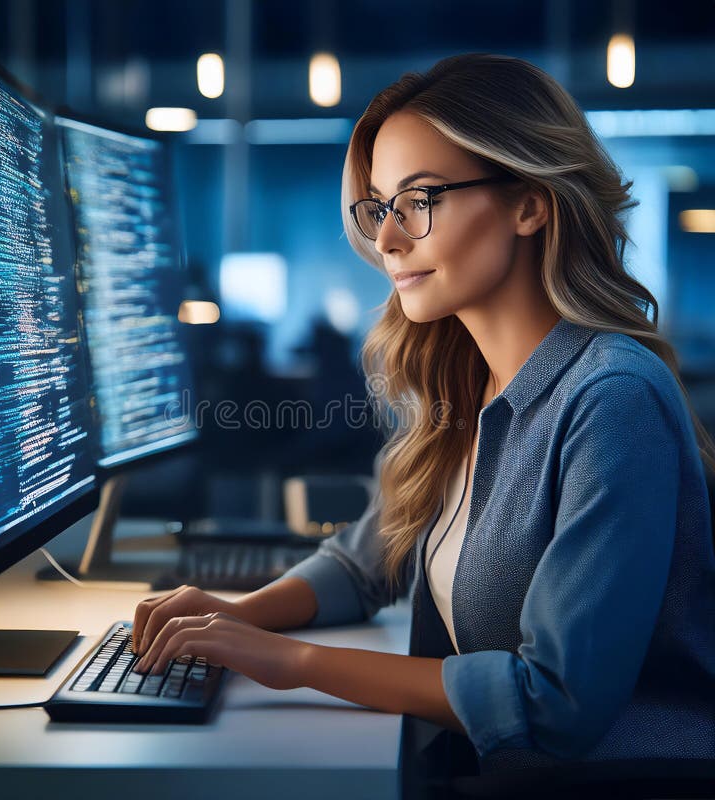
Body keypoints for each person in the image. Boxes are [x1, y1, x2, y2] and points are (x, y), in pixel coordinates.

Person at [130, 54, 715, 782]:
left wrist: (291, 661)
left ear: (529, 205)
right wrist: (238, 614)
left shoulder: (611, 398)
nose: (387, 239)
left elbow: (557, 700)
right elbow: (364, 564)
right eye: (380, 207)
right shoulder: (467, 385)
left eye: (419, 199)